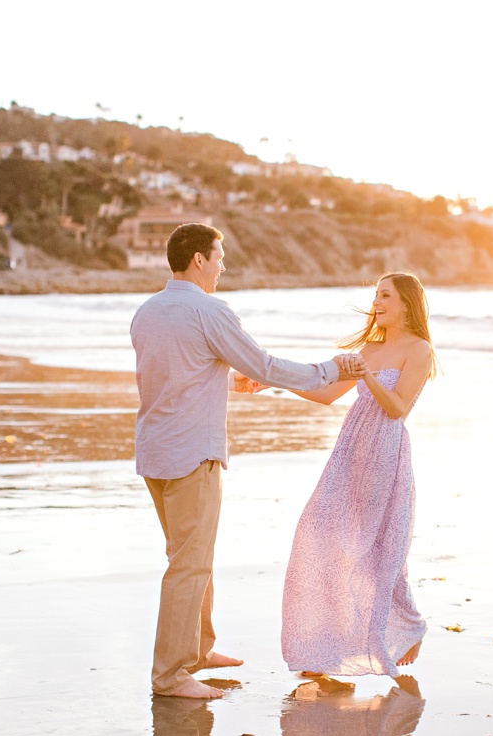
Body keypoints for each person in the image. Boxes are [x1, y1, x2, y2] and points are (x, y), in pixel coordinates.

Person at [131, 222, 364, 700]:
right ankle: (170, 675)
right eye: (218, 256)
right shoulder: (210, 310)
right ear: (198, 259)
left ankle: (197, 648)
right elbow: (266, 365)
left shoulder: (147, 312)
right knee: (188, 566)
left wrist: (228, 382)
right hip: (192, 453)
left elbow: (175, 374)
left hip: (155, 451)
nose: (222, 265)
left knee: (192, 558)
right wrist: (330, 369)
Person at [280, 272, 439, 678]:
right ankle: (326, 643)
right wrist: (271, 383)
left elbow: (398, 408)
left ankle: (408, 626)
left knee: (374, 543)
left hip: (385, 452)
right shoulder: (371, 347)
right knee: (323, 529)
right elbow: (325, 393)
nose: (377, 302)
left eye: (385, 295)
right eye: (376, 295)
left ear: (406, 303)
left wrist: (366, 374)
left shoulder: (419, 350)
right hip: (350, 450)